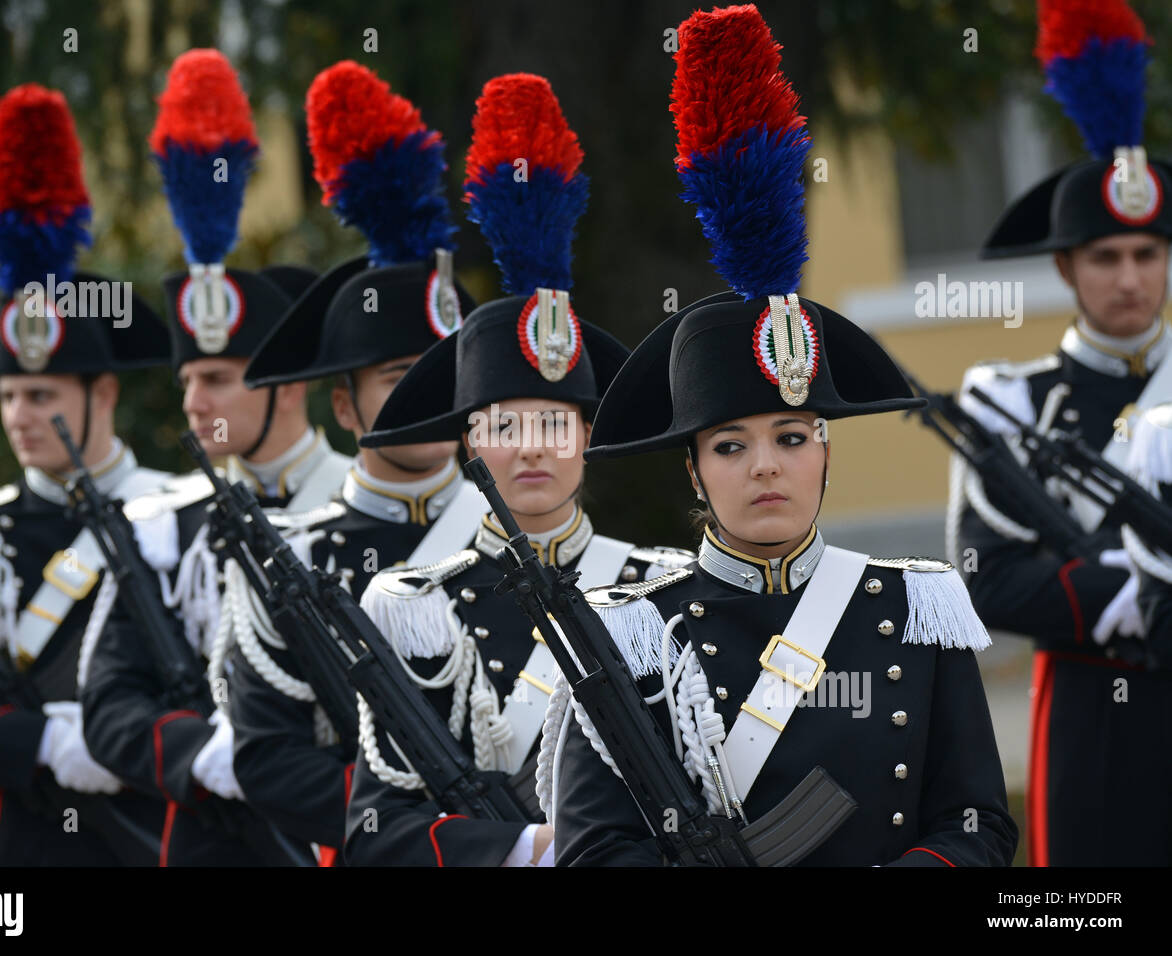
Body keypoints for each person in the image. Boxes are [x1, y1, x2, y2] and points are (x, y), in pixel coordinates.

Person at [545, 5, 1016, 867]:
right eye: (730, 446)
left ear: (826, 451)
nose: (765, 466)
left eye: (792, 438)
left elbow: (979, 824)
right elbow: (592, 851)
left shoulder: (914, 610)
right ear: (694, 471)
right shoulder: (637, 634)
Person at [341, 72, 691, 867]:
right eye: (505, 424)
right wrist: (525, 850)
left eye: (554, 422)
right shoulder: (417, 608)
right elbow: (376, 832)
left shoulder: (663, 592)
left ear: (588, 436)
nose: (531, 447)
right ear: (469, 442)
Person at [78, 49, 348, 866]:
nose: (194, 402)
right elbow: (109, 706)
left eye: (220, 379)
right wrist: (204, 754)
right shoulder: (163, 529)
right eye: (187, 380)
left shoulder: (358, 504)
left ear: (287, 387)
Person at [0, 84, 174, 866]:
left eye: (42, 396)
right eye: (10, 395)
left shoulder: (175, 512)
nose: (19, 416)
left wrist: (134, 738)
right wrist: (44, 741)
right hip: (35, 846)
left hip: (169, 832)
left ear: (103, 393)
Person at [218, 61, 480, 860]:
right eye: (400, 378)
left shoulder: (521, 537)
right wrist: (424, 831)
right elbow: (269, 759)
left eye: (445, 373)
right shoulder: (292, 558)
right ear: (343, 407)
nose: (430, 396)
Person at [951, 0, 1172, 865]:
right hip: (1095, 712)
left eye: (1148, 254)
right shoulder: (1013, 402)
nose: (1130, 279)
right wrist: (1137, 599)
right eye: (1105, 258)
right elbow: (990, 578)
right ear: (1064, 266)